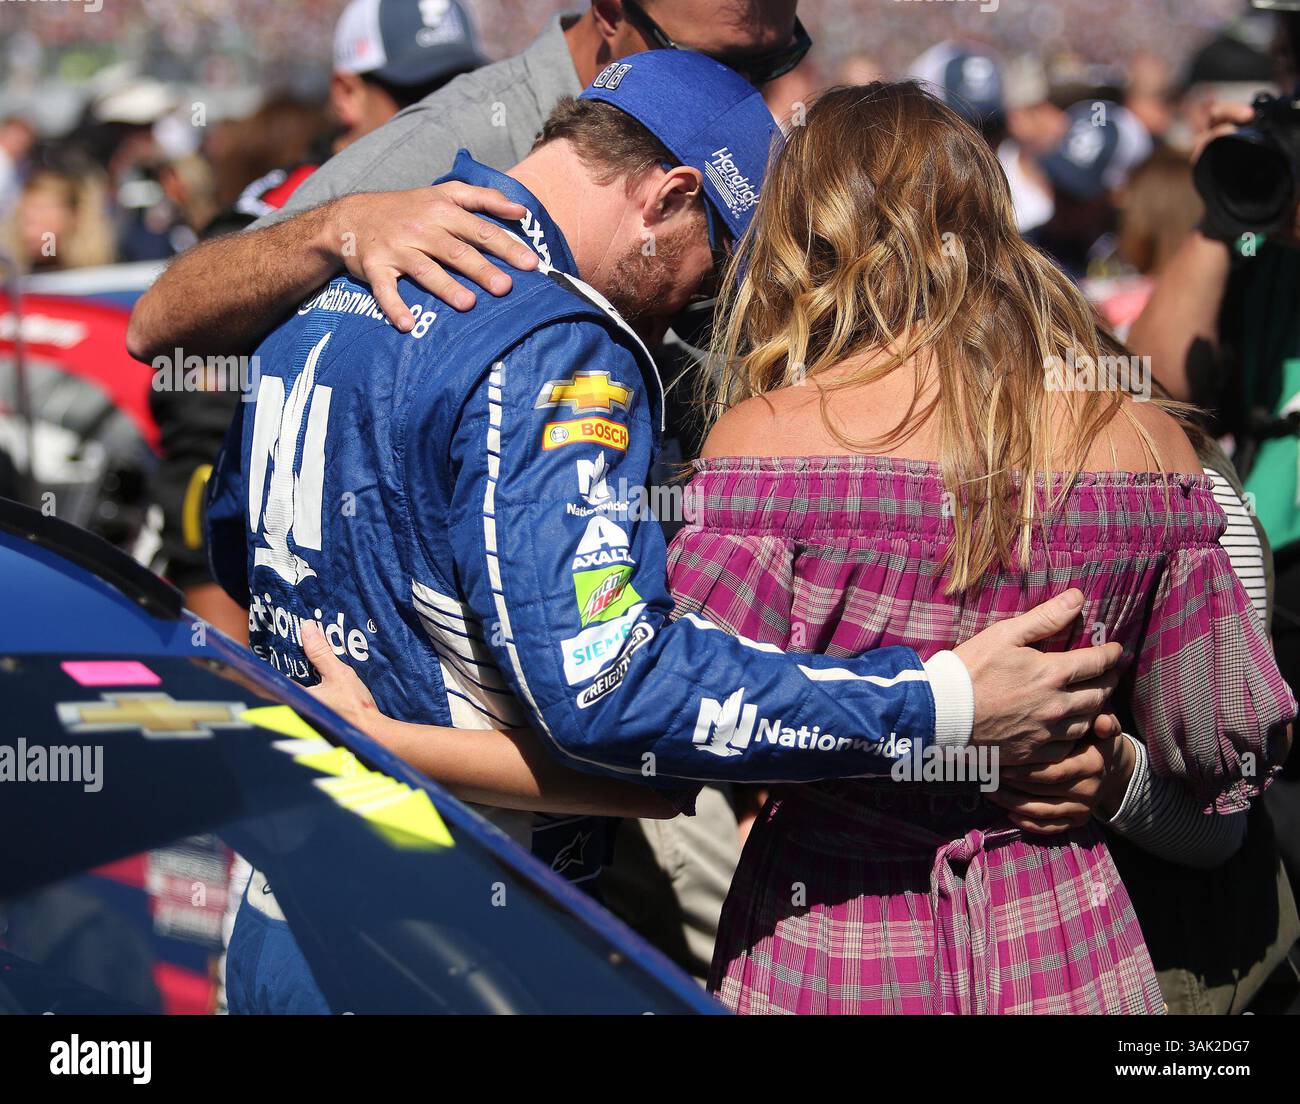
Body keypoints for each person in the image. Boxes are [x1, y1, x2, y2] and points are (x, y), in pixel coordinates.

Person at [206, 52, 1124, 1013]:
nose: (700, 298)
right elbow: (612, 691)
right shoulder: (555, 339)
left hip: (280, 898)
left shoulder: (349, 275)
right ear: (669, 196)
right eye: (717, 254)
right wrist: (943, 702)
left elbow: (239, 550)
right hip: (449, 930)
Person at [670, 82, 1294, 1014]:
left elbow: (688, 724)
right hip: (1064, 939)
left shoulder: (761, 441)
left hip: (829, 933)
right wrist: (1108, 774)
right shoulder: (1149, 444)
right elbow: (1223, 771)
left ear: (806, 232)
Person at [145, 0, 489, 647]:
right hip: (291, 622)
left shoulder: (475, 203)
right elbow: (201, 457)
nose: (443, 114)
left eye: (458, 89)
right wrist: (233, 675)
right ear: (347, 94)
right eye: (416, 94)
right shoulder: (268, 227)